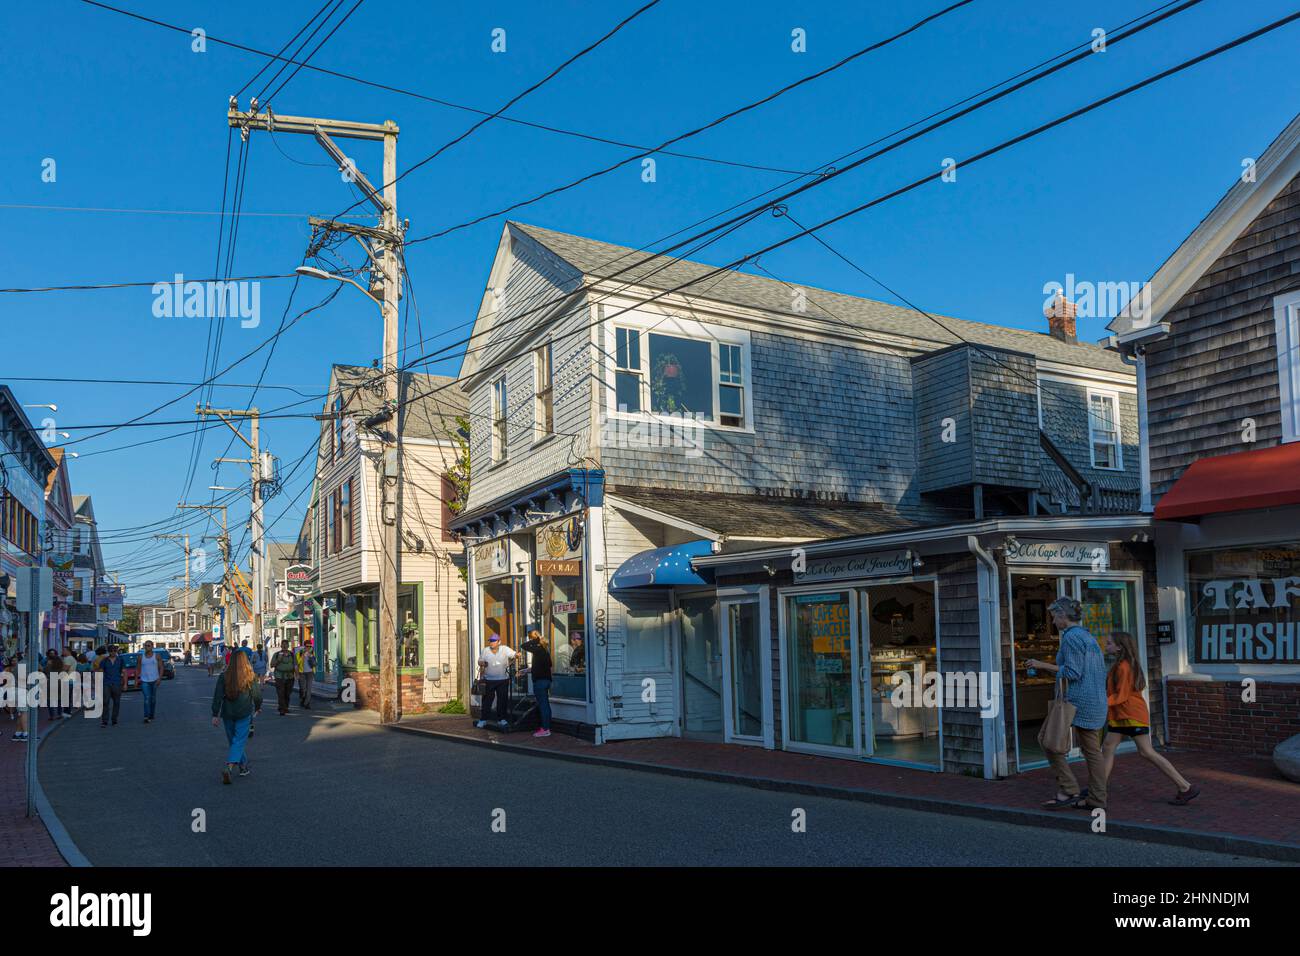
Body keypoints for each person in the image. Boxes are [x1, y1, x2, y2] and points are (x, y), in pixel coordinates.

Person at [1025, 597, 1109, 811]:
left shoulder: (1071, 638)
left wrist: (1040, 664)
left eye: (1054, 616)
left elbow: (1072, 672)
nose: (1053, 621)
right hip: (1095, 700)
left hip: (1075, 702)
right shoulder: (1087, 636)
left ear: (1063, 616)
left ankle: (1068, 788)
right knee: (1093, 752)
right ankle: (1097, 799)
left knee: (1047, 741)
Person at [1101, 631, 1200, 806]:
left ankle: (1185, 786)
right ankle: (1099, 789)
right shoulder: (1120, 664)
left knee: (1147, 752)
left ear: (1119, 647)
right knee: (1108, 747)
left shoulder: (1124, 666)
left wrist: (1100, 702)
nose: (1106, 645)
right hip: (1120, 716)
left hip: (1131, 715)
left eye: (1109, 643)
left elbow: (1122, 696)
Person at [211, 646, 262, 784]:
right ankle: (229, 767)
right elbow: (257, 695)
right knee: (238, 741)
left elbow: (218, 696)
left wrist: (215, 714)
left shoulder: (224, 676)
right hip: (244, 712)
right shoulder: (250, 676)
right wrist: (257, 707)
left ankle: (243, 766)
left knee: (234, 741)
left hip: (227, 713)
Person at [475, 634, 516, 729]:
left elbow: (514, 654)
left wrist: (517, 655)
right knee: (487, 701)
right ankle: (483, 720)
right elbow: (479, 661)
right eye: (490, 641)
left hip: (503, 680)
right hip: (489, 680)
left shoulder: (505, 649)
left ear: (499, 642)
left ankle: (502, 719)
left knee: (502, 700)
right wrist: (482, 663)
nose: (491, 643)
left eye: (494, 641)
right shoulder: (485, 650)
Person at [519, 629, 552, 738]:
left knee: (543, 705)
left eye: (531, 638)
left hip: (540, 681)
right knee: (545, 705)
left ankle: (546, 729)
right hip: (546, 680)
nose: (530, 641)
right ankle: (546, 726)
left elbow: (523, 645)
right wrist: (526, 670)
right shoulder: (545, 652)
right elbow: (541, 667)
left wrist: (536, 638)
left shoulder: (538, 650)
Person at [98, 645, 125, 727]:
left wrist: (125, 683)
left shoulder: (120, 660)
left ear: (116, 651)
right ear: (108, 652)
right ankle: (104, 721)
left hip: (117, 683)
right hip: (107, 683)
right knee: (105, 702)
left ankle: (114, 719)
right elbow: (101, 671)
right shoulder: (104, 661)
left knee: (116, 702)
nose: (113, 652)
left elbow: (124, 672)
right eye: (111, 651)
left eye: (114, 651)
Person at [270, 640, 298, 716]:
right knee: (281, 693)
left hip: (290, 676)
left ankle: (285, 707)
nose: (285, 646)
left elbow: (295, 665)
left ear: (288, 646)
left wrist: (297, 675)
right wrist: (279, 660)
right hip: (279, 676)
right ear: (281, 646)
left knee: (288, 693)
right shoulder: (276, 654)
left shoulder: (292, 654)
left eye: (286, 644)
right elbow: (272, 665)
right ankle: (282, 709)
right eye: (283, 644)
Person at [139, 640, 163, 724]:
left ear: (152, 646)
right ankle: (146, 716)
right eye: (145, 645)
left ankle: (151, 714)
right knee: (147, 698)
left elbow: (161, 667)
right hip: (144, 681)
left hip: (154, 680)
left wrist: (159, 678)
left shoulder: (157, 656)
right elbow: (137, 669)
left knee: (153, 699)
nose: (147, 647)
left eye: (148, 645)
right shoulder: (141, 657)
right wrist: (136, 680)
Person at [295, 640, 316, 708]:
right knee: (302, 689)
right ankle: (303, 698)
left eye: (310, 646)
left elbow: (315, 663)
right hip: (302, 673)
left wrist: (311, 657)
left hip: (310, 673)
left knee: (309, 689)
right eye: (307, 646)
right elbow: (296, 664)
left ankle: (307, 703)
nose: (309, 648)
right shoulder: (299, 653)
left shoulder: (312, 653)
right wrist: (303, 657)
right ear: (304, 646)